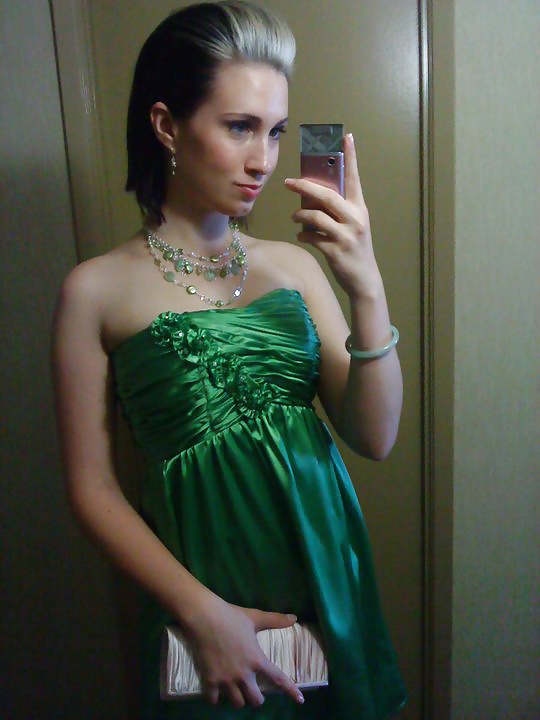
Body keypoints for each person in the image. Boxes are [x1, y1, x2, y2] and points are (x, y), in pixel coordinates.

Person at [51, 2, 409, 718]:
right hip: (202, 599)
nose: (263, 161)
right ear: (166, 126)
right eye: (240, 126)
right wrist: (202, 611)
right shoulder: (94, 291)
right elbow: (92, 488)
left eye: (275, 132)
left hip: (327, 582)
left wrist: (366, 285)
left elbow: (375, 436)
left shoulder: (295, 268)